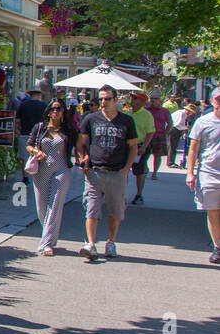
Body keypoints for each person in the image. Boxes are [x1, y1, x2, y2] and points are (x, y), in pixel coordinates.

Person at [76, 84, 139, 259]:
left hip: (117, 172)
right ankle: (91, 244)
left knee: (116, 210)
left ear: (116, 100)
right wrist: (83, 158)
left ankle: (111, 242)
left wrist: (126, 169)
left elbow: (133, 147)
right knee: (91, 208)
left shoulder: (126, 121)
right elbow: (80, 143)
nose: (104, 102)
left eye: (108, 98)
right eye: (101, 99)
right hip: (95, 171)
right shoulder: (91, 119)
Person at [25, 100, 77, 256]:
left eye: (59, 109)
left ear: (63, 112)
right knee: (42, 207)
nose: (56, 111)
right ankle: (50, 237)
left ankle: (46, 244)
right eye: (53, 109)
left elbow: (79, 146)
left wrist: (83, 157)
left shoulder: (69, 130)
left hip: (62, 169)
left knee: (55, 205)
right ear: (48, 112)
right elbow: (29, 145)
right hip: (41, 170)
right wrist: (36, 152)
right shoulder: (40, 128)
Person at [185, 87, 220, 263]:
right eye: (219, 99)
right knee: (212, 211)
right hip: (209, 173)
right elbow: (193, 149)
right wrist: (190, 173)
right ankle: (218, 248)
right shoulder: (203, 122)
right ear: (213, 101)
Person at [126, 90, 156, 205]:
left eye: (135, 98)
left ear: (142, 102)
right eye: (132, 98)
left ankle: (139, 194)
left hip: (140, 146)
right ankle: (122, 193)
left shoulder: (147, 115)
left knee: (139, 171)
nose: (132, 101)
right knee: (124, 169)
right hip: (127, 146)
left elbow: (150, 132)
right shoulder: (127, 114)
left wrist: (144, 146)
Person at [15, 88, 47, 165]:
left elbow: (17, 121)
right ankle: (36, 175)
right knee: (40, 156)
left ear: (30, 94)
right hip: (40, 135)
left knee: (24, 157)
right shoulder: (44, 105)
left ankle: (25, 176)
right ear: (39, 95)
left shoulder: (23, 105)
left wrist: (18, 131)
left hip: (25, 134)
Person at [146, 91, 172, 180]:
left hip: (159, 135)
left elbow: (169, 123)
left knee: (157, 155)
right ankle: (145, 169)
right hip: (146, 136)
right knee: (144, 154)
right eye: (151, 98)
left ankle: (154, 173)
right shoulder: (146, 109)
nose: (153, 100)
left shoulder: (164, 111)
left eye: (155, 99)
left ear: (160, 100)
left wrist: (165, 133)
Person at [169, 100, 192, 167]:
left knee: (174, 146)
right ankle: (170, 162)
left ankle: (172, 161)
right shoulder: (181, 113)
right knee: (172, 146)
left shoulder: (184, 114)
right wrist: (186, 127)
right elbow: (177, 124)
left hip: (177, 130)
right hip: (174, 130)